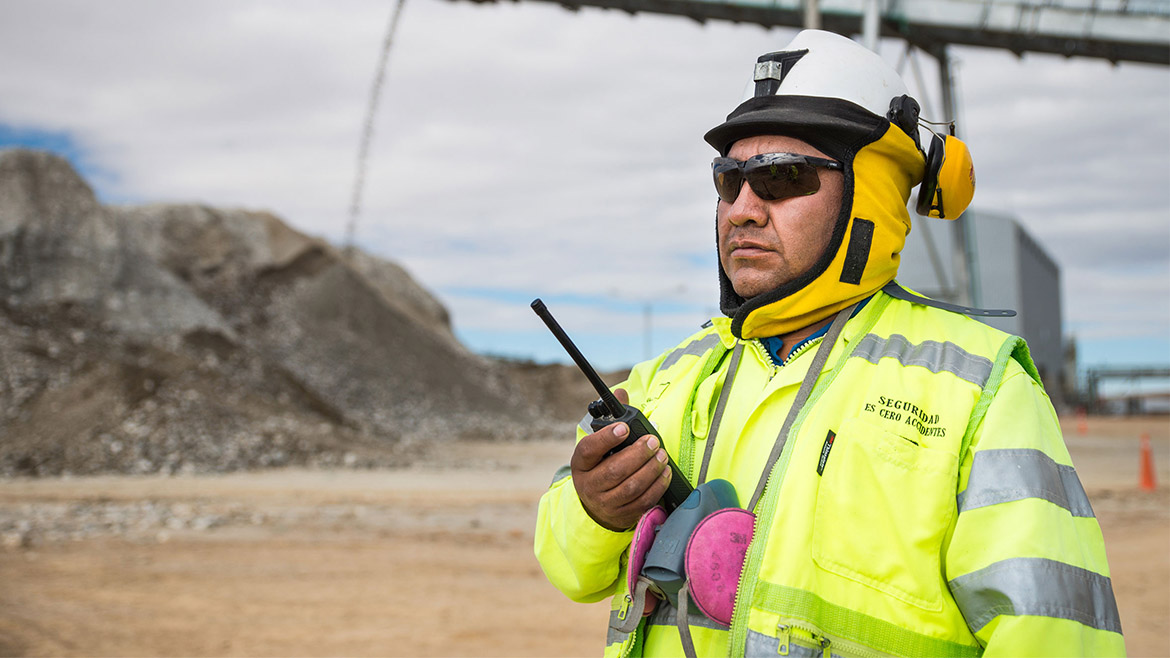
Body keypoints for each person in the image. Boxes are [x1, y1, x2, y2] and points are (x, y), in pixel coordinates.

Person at [534, 29, 1124, 657]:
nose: (743, 209)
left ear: (868, 193)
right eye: (729, 180)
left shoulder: (980, 391)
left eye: (781, 177)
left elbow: (1056, 634)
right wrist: (597, 511)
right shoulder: (666, 379)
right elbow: (568, 567)